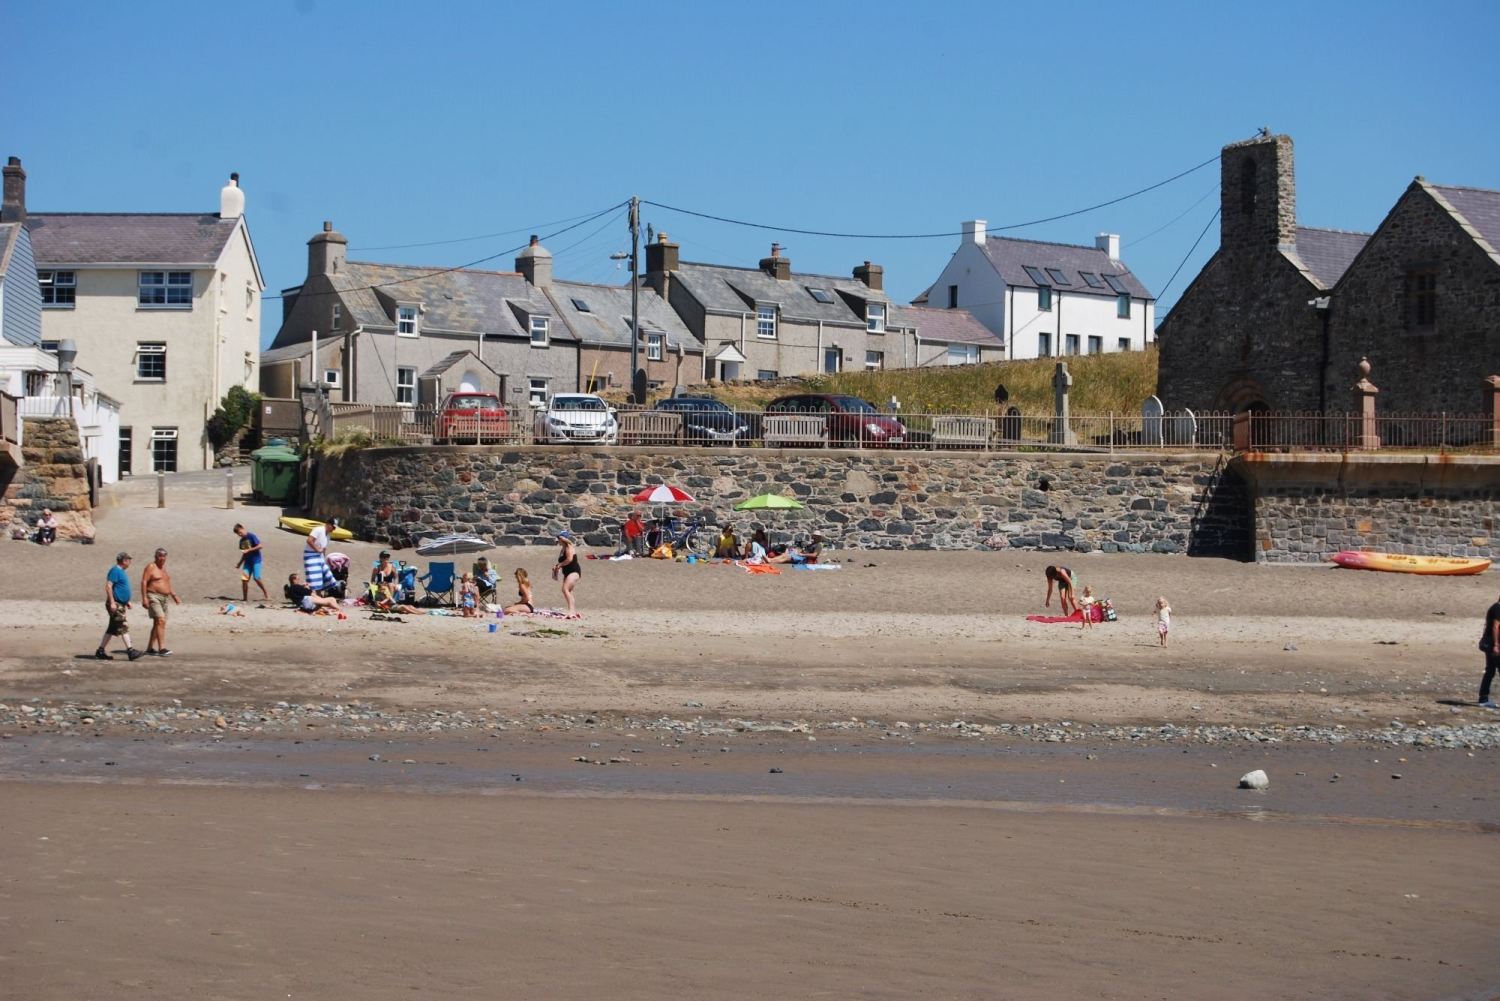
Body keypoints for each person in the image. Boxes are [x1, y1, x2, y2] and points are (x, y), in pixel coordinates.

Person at [97, 552, 141, 661]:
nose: (130, 562)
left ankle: (100, 651)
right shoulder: (115, 570)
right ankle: (130, 651)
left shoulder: (121, 571)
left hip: (120, 603)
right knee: (123, 625)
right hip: (116, 604)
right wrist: (112, 602)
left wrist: (126, 601)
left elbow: (119, 587)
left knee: (112, 629)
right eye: (129, 560)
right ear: (124, 561)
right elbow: (108, 586)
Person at [140, 547, 181, 657]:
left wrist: (174, 596)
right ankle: (162, 648)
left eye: (164, 556)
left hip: (165, 599)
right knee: (160, 620)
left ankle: (149, 649)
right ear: (155, 556)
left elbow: (167, 583)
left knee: (158, 623)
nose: (162, 558)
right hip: (153, 597)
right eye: (160, 556)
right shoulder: (151, 567)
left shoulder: (163, 568)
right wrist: (144, 598)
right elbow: (144, 582)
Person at [233, 523, 269, 602]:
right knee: (244, 579)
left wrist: (249, 549)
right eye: (238, 534)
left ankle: (265, 593)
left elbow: (260, 546)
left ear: (243, 528)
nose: (240, 535)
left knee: (256, 578)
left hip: (256, 561)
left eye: (240, 532)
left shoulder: (251, 536)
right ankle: (245, 598)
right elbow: (244, 554)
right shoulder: (241, 541)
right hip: (247, 562)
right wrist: (239, 563)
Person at [303, 517, 337, 594]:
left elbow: (324, 548)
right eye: (333, 527)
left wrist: (324, 559)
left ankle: (319, 595)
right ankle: (313, 596)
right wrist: (317, 549)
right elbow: (309, 540)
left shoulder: (328, 535)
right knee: (314, 579)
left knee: (326, 576)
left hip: (320, 557)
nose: (334, 529)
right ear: (328, 524)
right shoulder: (318, 530)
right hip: (310, 556)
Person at [552, 530, 581, 618]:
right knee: (569, 591)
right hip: (567, 572)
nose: (557, 541)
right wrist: (557, 566)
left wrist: (559, 565)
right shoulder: (563, 548)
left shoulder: (569, 546)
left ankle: (571, 612)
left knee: (565, 589)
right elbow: (563, 561)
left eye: (559, 538)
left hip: (573, 571)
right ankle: (573, 611)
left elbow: (569, 559)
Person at [1478, 593, 1500, 709]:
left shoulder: (1495, 607)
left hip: (1491, 644)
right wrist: (1496, 645)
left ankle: (1483, 698)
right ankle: (1483, 698)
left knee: (1490, 671)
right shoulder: (1497, 608)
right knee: (1491, 671)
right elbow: (1495, 627)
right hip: (1494, 645)